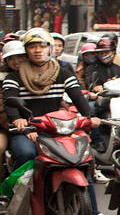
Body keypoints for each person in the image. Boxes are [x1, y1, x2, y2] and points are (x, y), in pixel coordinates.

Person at [3, 29, 99, 171]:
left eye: (42, 46)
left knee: (82, 159)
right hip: (27, 131)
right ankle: (18, 190)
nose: (38, 50)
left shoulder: (63, 74)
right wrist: (17, 119)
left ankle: (87, 192)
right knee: (26, 152)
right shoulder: (13, 78)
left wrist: (90, 117)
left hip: (57, 130)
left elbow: (77, 97)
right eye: (32, 47)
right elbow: (10, 101)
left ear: (50, 49)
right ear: (26, 51)